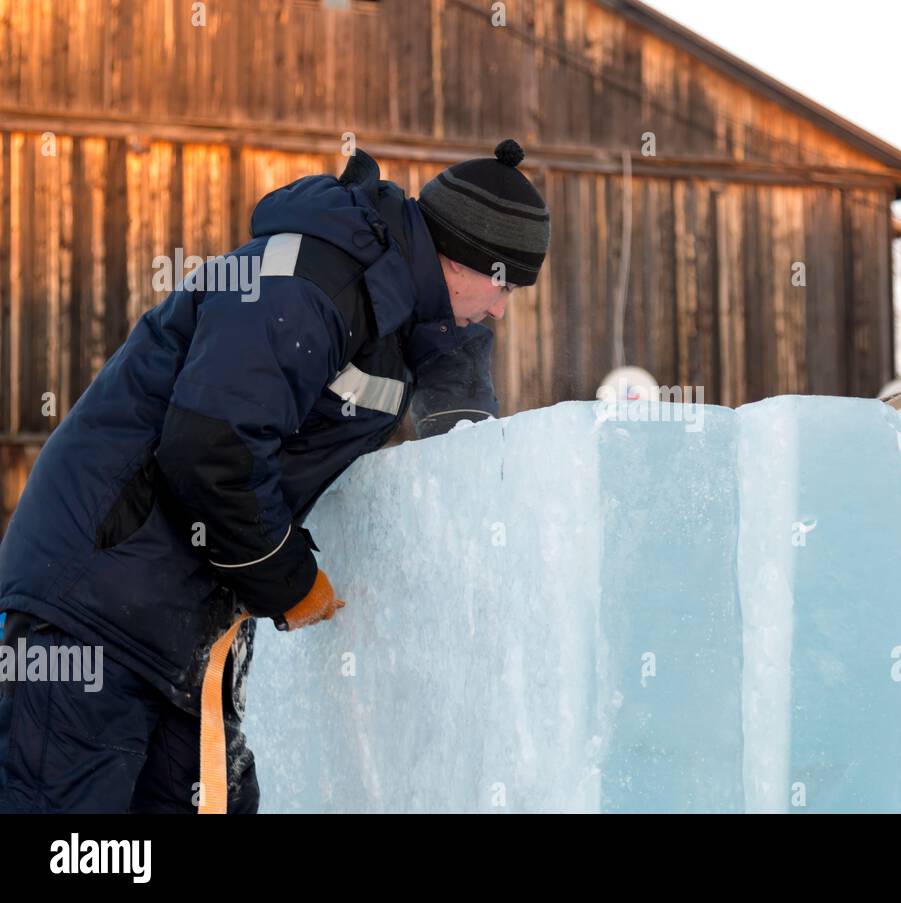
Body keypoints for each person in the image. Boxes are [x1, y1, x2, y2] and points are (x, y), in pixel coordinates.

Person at [0, 139, 550, 813]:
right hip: (95, 602)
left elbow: (447, 351)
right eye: (506, 287)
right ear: (460, 255)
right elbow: (211, 446)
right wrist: (289, 579)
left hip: (186, 630)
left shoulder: (402, 299)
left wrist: (473, 469)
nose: (500, 310)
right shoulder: (305, 283)